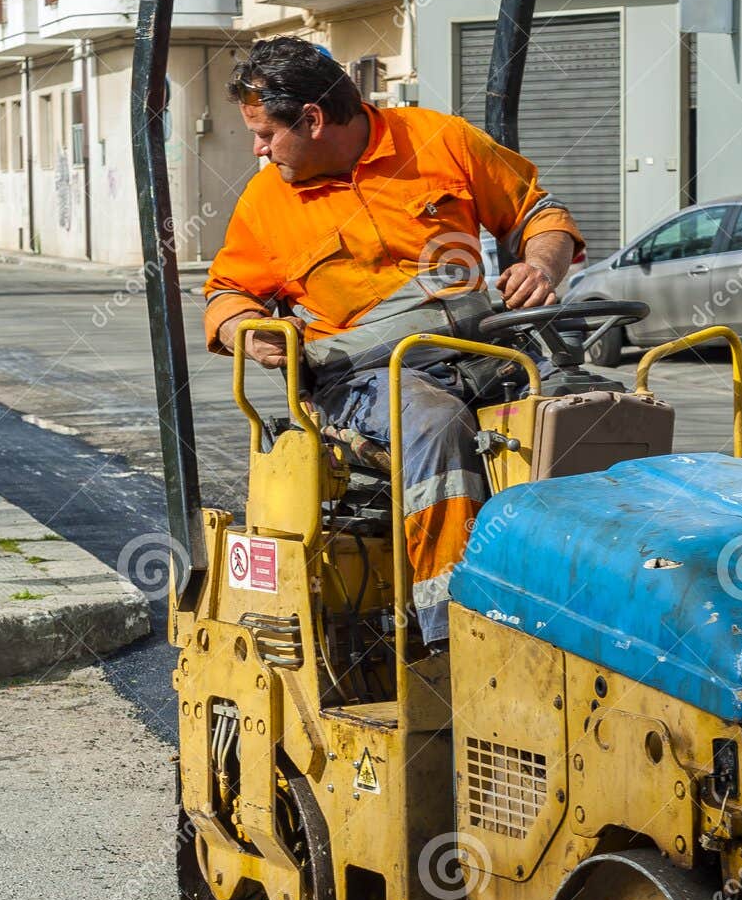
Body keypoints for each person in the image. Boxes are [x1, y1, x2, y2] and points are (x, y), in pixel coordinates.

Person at [203, 37, 584, 645]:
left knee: (589, 409)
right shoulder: (267, 201)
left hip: (482, 355)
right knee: (432, 423)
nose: (259, 149)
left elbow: (540, 212)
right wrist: (247, 332)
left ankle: (585, 609)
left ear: (313, 119)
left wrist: (541, 264)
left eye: (265, 134)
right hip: (357, 381)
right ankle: (452, 636)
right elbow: (225, 292)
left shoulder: (441, 140)